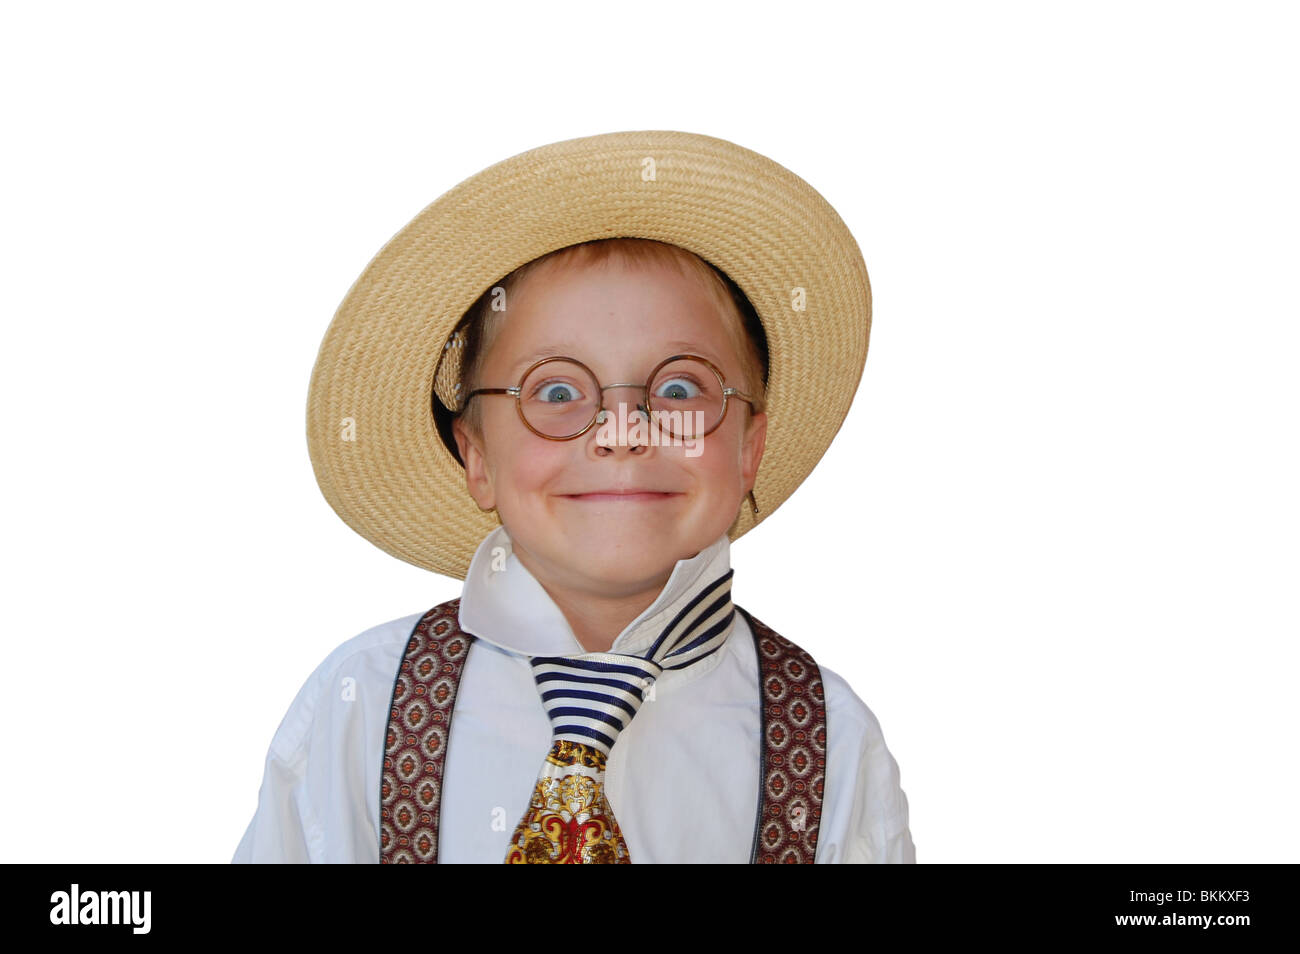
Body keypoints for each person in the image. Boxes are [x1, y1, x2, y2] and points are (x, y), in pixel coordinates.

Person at [232, 130, 915, 863]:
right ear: (478, 456)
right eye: (556, 391)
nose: (622, 431)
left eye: (678, 388)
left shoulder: (832, 742)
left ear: (748, 447)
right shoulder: (361, 709)